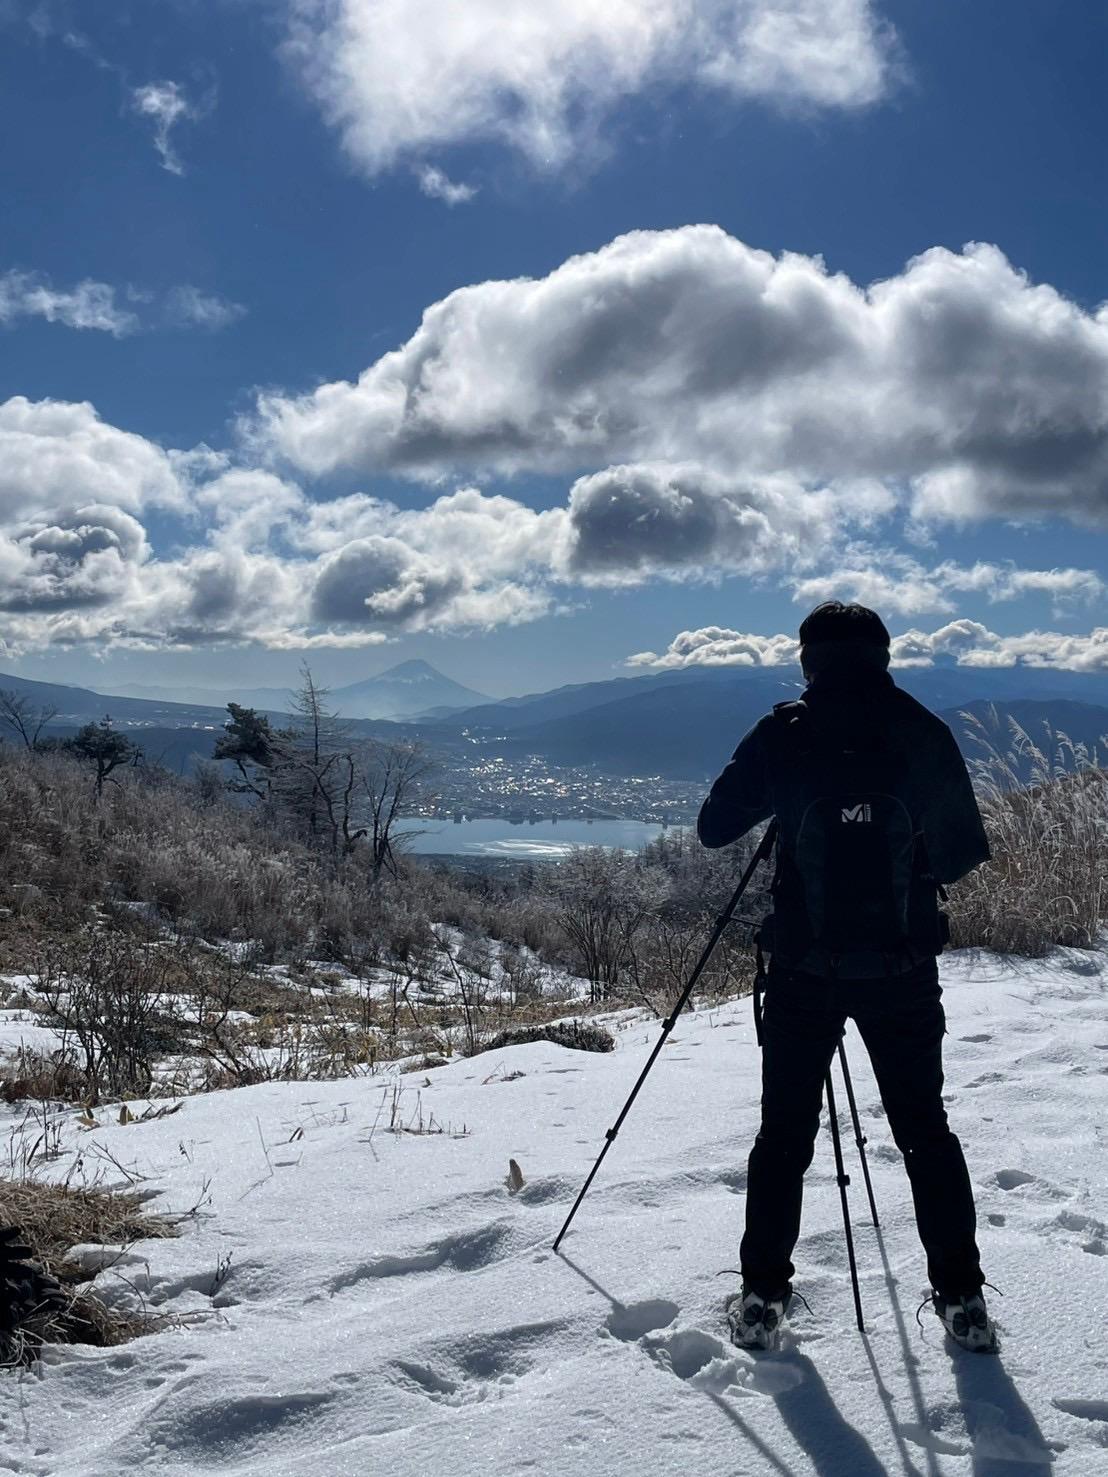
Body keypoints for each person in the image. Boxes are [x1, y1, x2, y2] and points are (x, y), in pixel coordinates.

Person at [698, 601, 996, 1353]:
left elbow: (713, 827)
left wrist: (791, 802)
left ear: (808, 660)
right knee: (925, 1131)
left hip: (804, 969)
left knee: (783, 1135)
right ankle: (963, 1298)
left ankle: (762, 1298)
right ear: (883, 656)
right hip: (902, 970)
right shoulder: (920, 729)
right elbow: (961, 855)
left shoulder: (784, 733)